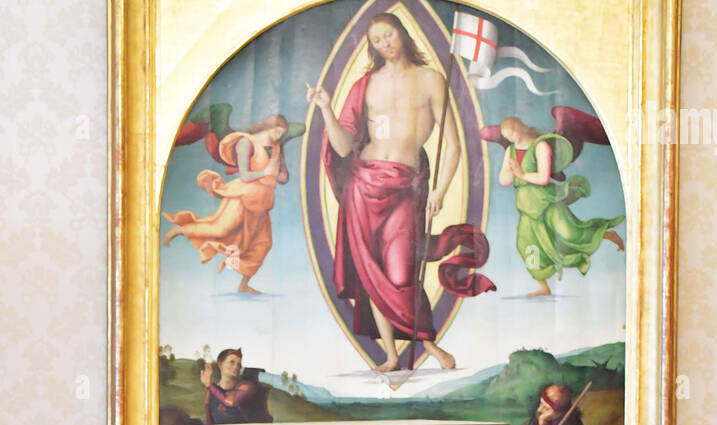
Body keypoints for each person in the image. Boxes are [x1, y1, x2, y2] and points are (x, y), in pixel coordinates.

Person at [309, 13, 493, 372]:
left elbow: (454, 145)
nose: (384, 45)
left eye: (389, 35)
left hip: (406, 188)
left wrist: (440, 188)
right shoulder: (365, 84)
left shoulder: (430, 80)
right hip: (363, 186)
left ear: (403, 34)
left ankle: (430, 346)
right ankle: (393, 355)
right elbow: (344, 147)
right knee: (372, 274)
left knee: (400, 273)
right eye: (376, 40)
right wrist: (326, 108)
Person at [490, 114, 624, 296]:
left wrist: (520, 174)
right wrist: (512, 172)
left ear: (518, 128)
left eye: (511, 134)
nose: (511, 139)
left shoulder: (540, 146)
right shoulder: (511, 152)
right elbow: (503, 179)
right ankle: (544, 286)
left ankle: (606, 234)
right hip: (527, 205)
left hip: (547, 201)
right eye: (507, 137)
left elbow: (543, 178)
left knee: (570, 233)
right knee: (526, 245)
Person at [163, 115, 290, 295]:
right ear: (268, 127)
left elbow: (283, 176)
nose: (278, 136)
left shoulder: (277, 148)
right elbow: (245, 175)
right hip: (242, 196)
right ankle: (180, 230)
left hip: (261, 203)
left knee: (263, 244)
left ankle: (244, 284)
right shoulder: (247, 143)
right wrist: (266, 171)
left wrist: (280, 173)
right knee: (220, 229)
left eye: (281, 134)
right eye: (276, 131)